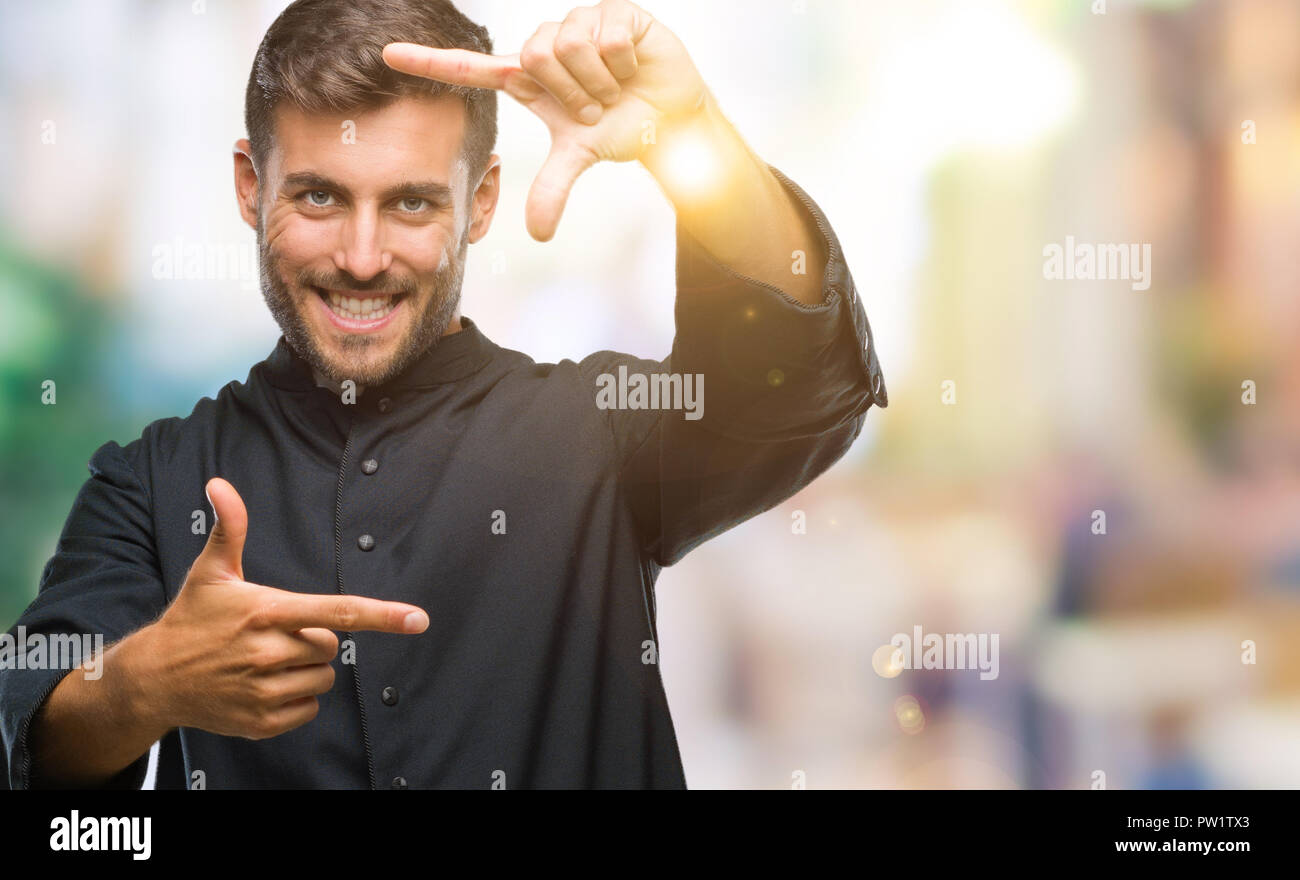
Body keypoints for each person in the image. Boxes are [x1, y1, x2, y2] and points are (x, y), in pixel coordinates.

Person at [0, 0, 887, 789]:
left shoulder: (603, 437)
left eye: (413, 205)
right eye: (317, 196)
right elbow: (26, 733)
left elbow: (801, 384)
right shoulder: (151, 480)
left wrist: (694, 141)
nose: (361, 254)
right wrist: (147, 682)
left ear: (482, 201)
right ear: (249, 186)